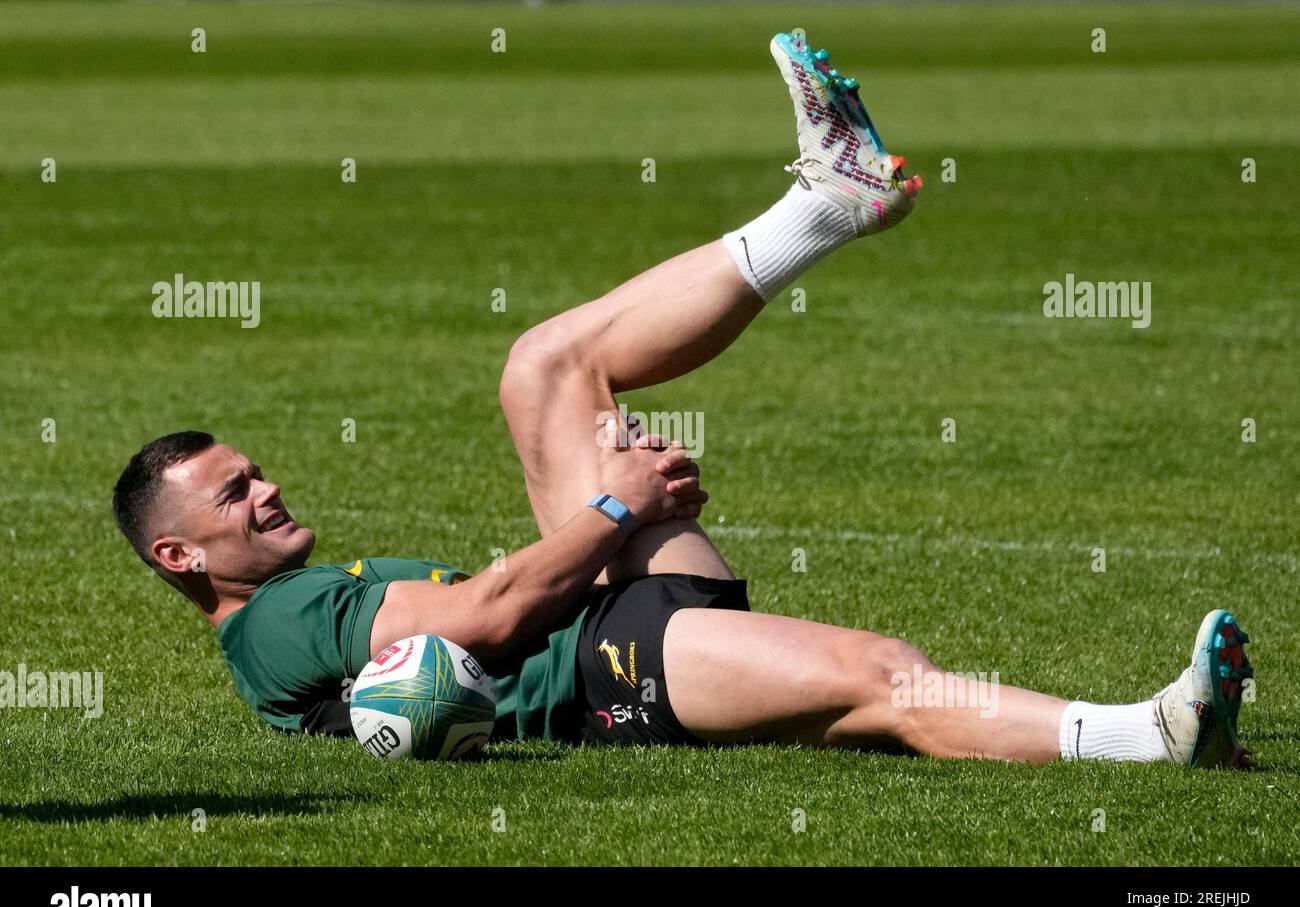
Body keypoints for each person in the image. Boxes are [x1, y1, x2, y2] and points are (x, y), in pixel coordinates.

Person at [112, 32, 1251, 768]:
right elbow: (490, 621)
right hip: (615, 674)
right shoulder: (275, 620)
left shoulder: (288, 612)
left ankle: (826, 202)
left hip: (608, 622)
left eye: (254, 470)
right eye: (233, 490)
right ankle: (1148, 735)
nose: (266, 487)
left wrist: (613, 514)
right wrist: (612, 508)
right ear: (179, 556)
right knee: (872, 677)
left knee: (544, 365)